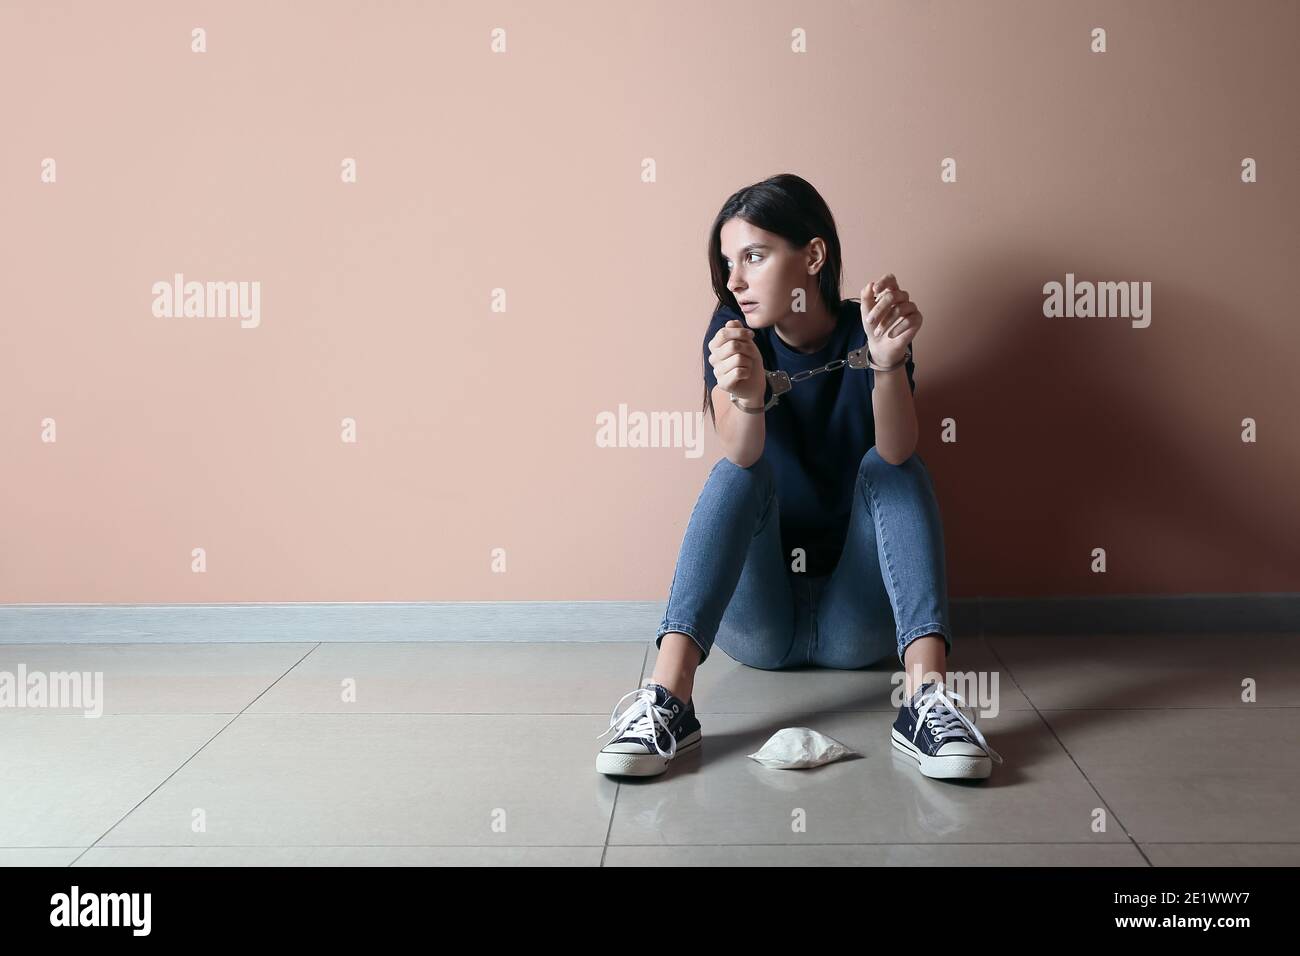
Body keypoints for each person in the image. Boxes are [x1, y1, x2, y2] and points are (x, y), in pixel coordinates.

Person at [595, 174, 1002, 782]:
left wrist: (888, 364)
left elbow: (897, 451)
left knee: (892, 469)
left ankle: (927, 702)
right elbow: (741, 450)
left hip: (855, 620)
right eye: (728, 263)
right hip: (762, 620)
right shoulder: (733, 335)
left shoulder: (867, 328)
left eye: (753, 257)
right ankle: (668, 699)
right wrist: (749, 393)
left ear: (812, 256)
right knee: (740, 471)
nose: (734, 280)